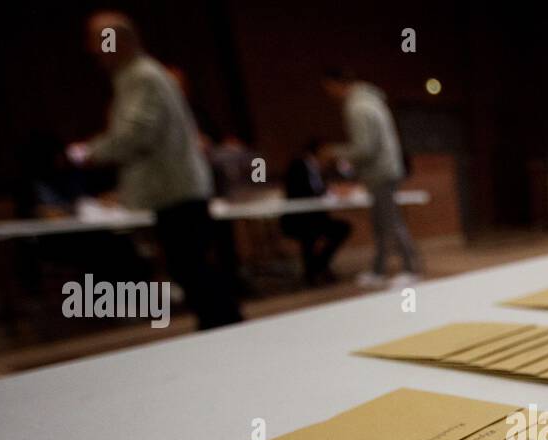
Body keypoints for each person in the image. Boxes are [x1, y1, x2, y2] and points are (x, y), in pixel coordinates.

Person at [68, 11, 243, 330]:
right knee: (189, 267)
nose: (94, 50)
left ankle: (225, 330)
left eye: (100, 42)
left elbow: (138, 133)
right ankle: (222, 329)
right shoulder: (139, 76)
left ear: (119, 41)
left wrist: (91, 152)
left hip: (175, 189)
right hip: (174, 187)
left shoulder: (141, 76)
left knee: (191, 267)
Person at [321, 68, 420, 289]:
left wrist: (335, 152)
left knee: (391, 222)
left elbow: (365, 148)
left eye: (328, 88)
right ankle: (380, 270)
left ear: (337, 84)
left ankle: (409, 268)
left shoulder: (358, 107)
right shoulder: (370, 101)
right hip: (382, 171)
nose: (330, 94)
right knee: (381, 223)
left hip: (381, 172)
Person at [282, 139, 353, 285]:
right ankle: (314, 271)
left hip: (316, 216)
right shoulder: (298, 166)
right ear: (318, 151)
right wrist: (326, 195)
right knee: (309, 235)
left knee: (342, 229)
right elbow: (301, 192)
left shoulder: (318, 168)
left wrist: (333, 190)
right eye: (326, 151)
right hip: (299, 218)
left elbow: (321, 188)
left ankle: (317, 266)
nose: (329, 155)